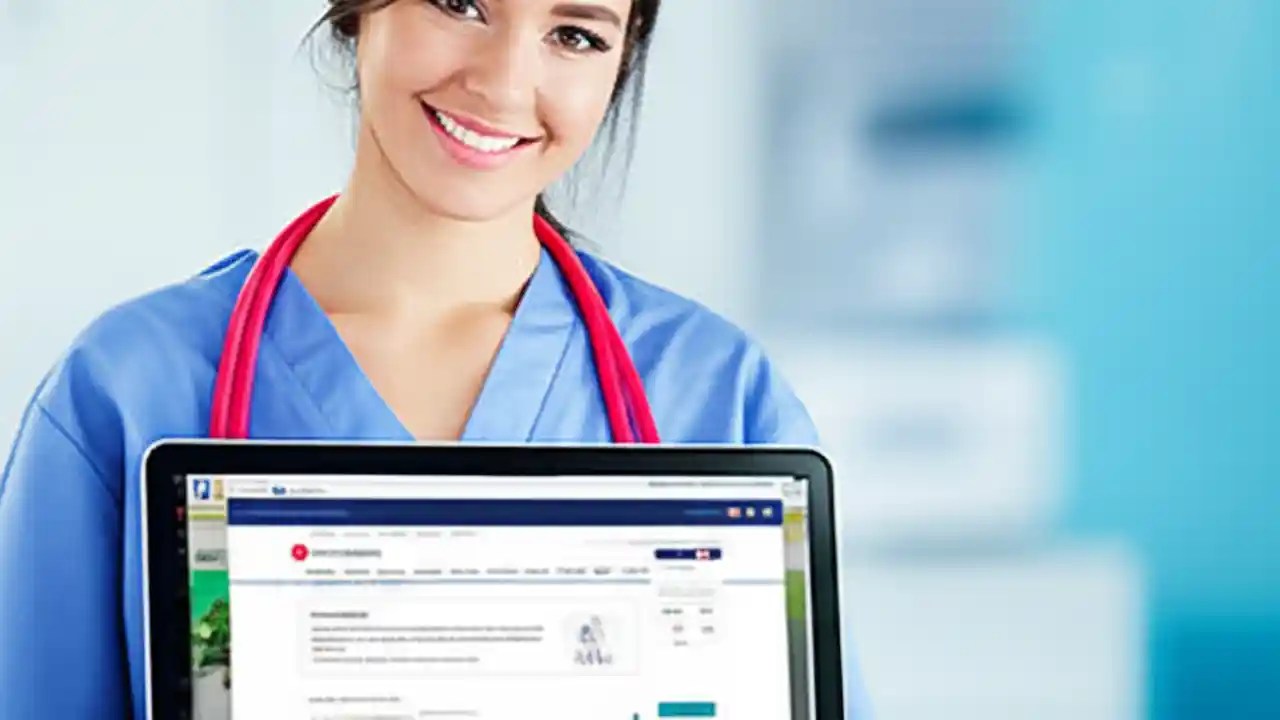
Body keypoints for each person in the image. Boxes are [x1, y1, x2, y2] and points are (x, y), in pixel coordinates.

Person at [0, 0, 870, 717]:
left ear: (620, 65)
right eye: (459, 3)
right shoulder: (128, 387)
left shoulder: (717, 392)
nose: (501, 82)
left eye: (575, 35)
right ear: (358, 14)